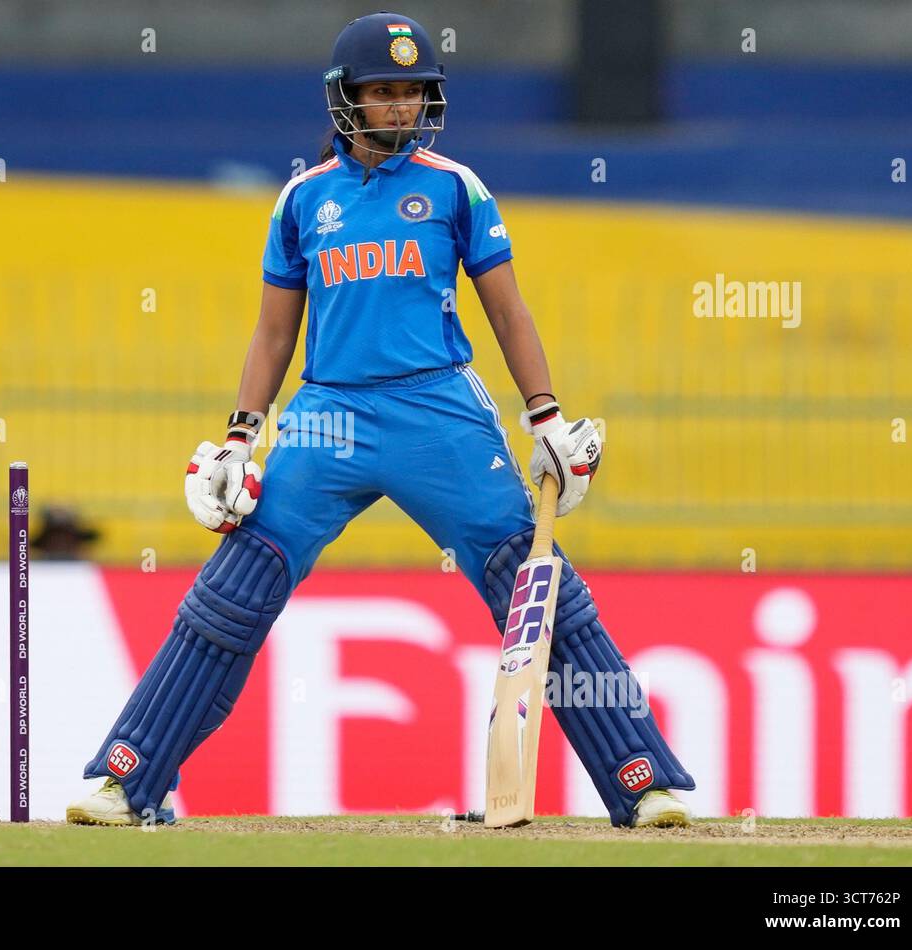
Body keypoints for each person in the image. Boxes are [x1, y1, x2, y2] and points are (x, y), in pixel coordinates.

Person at [68, 12, 694, 828]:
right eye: (383, 91)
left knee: (537, 592)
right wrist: (239, 438)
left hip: (438, 410)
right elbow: (274, 334)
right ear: (346, 99)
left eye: (413, 91)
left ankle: (641, 782)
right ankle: (126, 778)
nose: (401, 105)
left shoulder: (455, 186)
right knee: (233, 593)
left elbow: (508, 310)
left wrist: (546, 417)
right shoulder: (303, 199)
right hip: (328, 415)